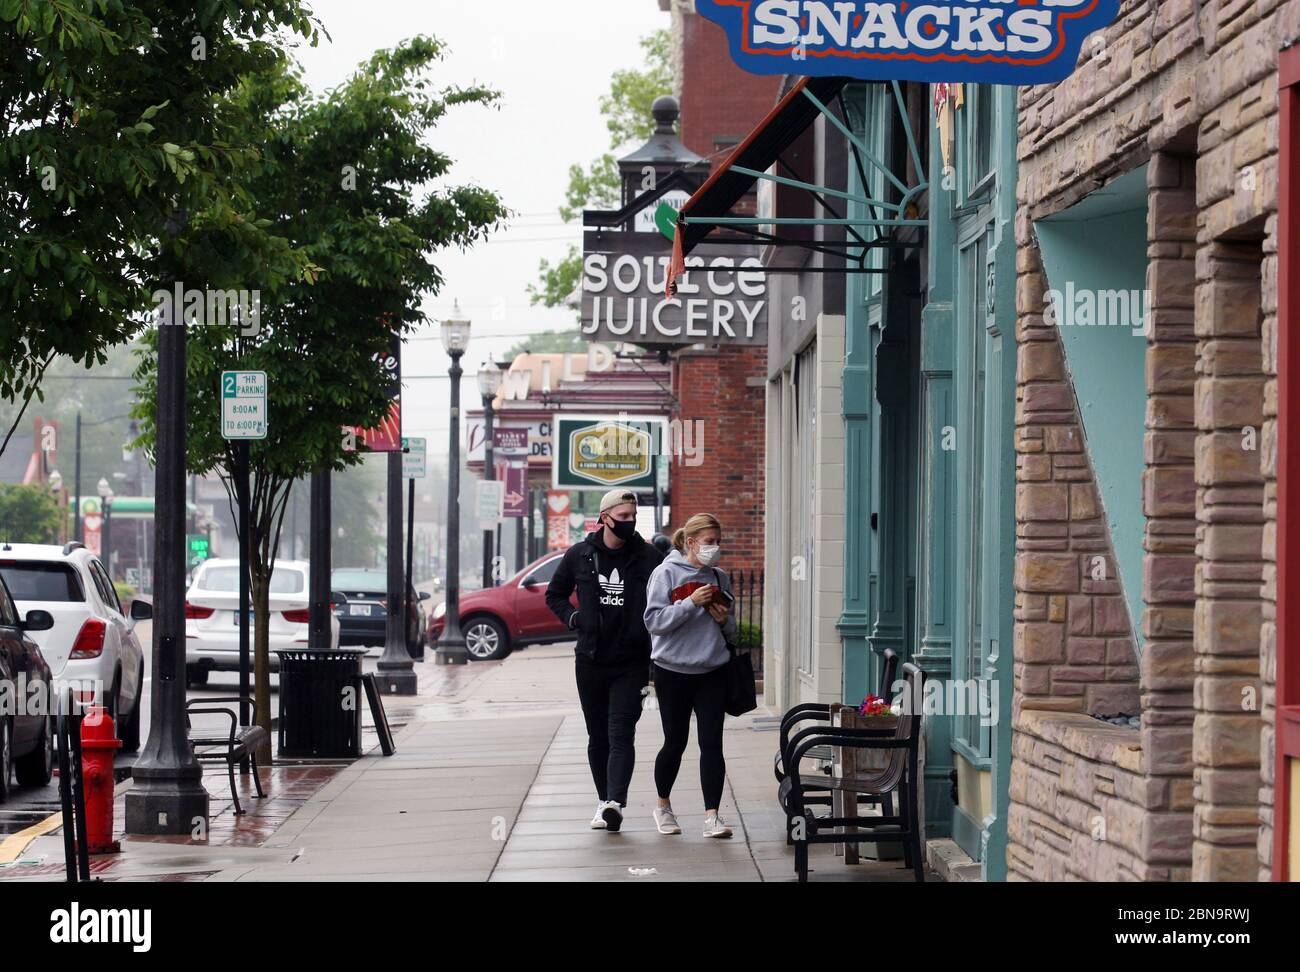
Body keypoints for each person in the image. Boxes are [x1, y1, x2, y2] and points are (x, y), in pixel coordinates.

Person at [546, 489, 663, 833]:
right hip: (591, 660)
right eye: (623, 517)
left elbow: (667, 596)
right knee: (598, 736)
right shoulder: (580, 555)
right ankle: (603, 800)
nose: (629, 522)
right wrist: (573, 618)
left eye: (633, 516)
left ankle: (614, 801)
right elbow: (554, 594)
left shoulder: (649, 558)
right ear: (605, 518)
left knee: (621, 733)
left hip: (632, 662)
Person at [643, 513, 736, 838]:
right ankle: (663, 806)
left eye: (718, 542)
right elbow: (654, 622)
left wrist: (725, 620)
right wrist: (690, 603)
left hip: (712, 670)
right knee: (675, 741)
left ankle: (712, 816)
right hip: (673, 671)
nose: (715, 548)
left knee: (712, 743)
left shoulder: (720, 577)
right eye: (709, 542)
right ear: (691, 542)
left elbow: (732, 630)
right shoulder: (665, 573)